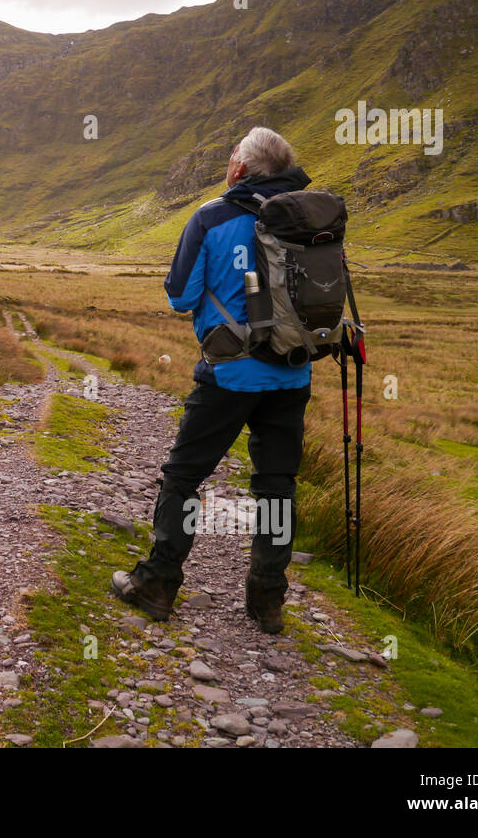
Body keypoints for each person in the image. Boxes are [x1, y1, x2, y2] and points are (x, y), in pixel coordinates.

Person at [111, 126, 312, 635]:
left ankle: (156, 583)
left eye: (230, 159)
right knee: (277, 485)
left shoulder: (213, 216)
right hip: (292, 373)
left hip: (228, 374)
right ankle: (268, 603)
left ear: (240, 169)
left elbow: (179, 296)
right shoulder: (311, 218)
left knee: (184, 476)